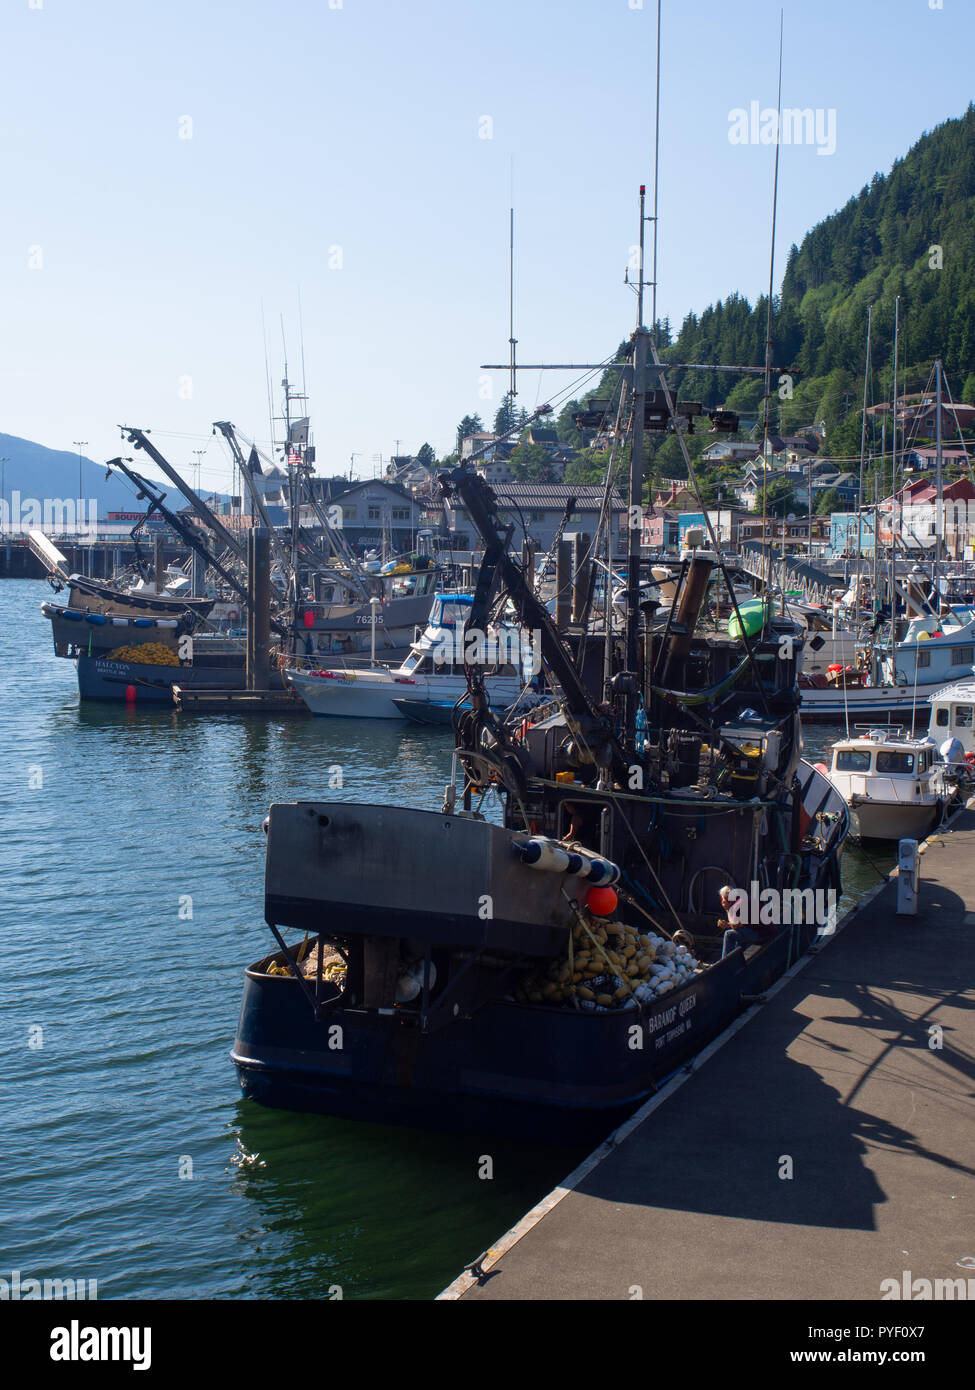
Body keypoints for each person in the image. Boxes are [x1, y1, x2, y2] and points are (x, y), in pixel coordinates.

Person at [718, 884, 775, 958]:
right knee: (738, 935)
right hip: (762, 931)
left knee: (728, 934)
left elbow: (736, 926)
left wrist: (727, 910)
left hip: (763, 934)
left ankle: (724, 963)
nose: (722, 901)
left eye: (723, 899)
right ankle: (736, 960)